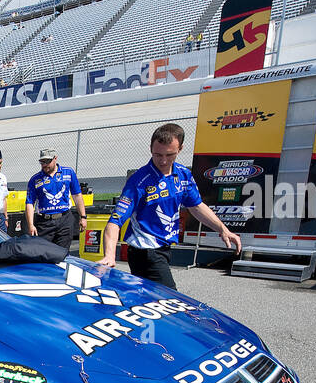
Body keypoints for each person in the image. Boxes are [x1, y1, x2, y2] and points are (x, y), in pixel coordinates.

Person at [100, 123, 242, 288]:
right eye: (157, 154)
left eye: (170, 154)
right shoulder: (138, 180)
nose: (163, 160)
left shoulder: (183, 174)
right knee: (170, 298)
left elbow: (196, 206)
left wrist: (222, 229)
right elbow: (115, 221)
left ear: (180, 149)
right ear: (150, 149)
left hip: (164, 249)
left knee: (148, 300)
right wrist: (109, 255)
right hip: (146, 252)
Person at [25, 148, 87, 250]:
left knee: (62, 254)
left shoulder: (68, 173)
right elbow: (29, 203)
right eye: (42, 162)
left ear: (55, 158)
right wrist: (31, 225)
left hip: (65, 219)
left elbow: (77, 195)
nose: (44, 165)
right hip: (44, 222)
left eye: (47, 161)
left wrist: (83, 217)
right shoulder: (35, 179)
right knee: (42, 253)